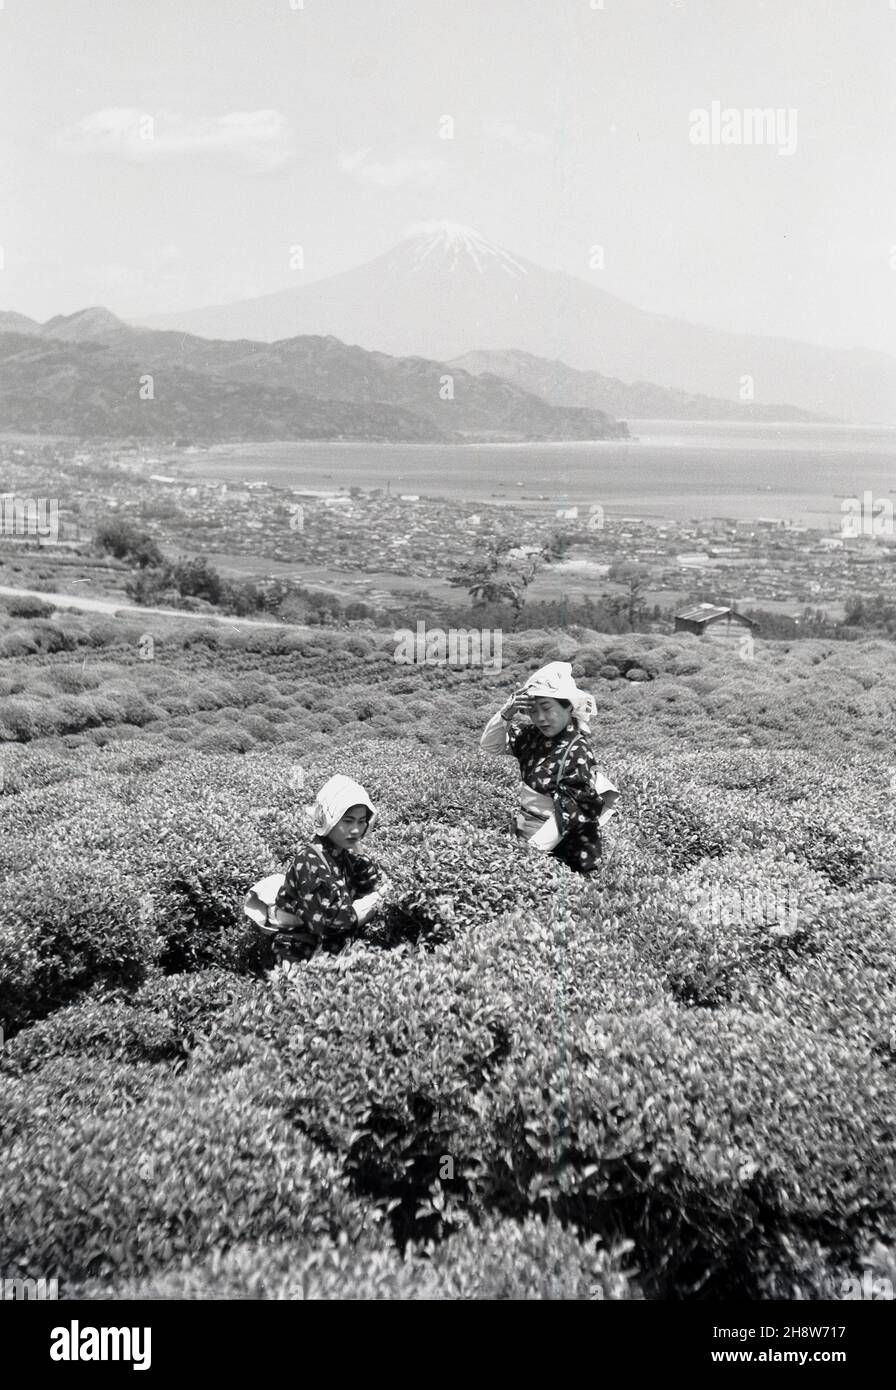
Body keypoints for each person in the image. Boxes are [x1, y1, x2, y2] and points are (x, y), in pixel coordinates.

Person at [480, 661, 619, 874]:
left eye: (547, 708)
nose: (540, 718)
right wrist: (506, 713)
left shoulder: (577, 750)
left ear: (568, 706)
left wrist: (527, 856)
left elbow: (567, 815)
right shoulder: (531, 737)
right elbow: (490, 745)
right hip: (526, 832)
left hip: (558, 844)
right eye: (533, 711)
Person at [243, 774, 391, 965]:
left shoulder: (343, 852)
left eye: (361, 821)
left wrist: (357, 848)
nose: (355, 829)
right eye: (347, 821)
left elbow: (372, 881)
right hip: (300, 955)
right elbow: (337, 924)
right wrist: (378, 898)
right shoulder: (311, 863)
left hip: (332, 951)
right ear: (330, 819)